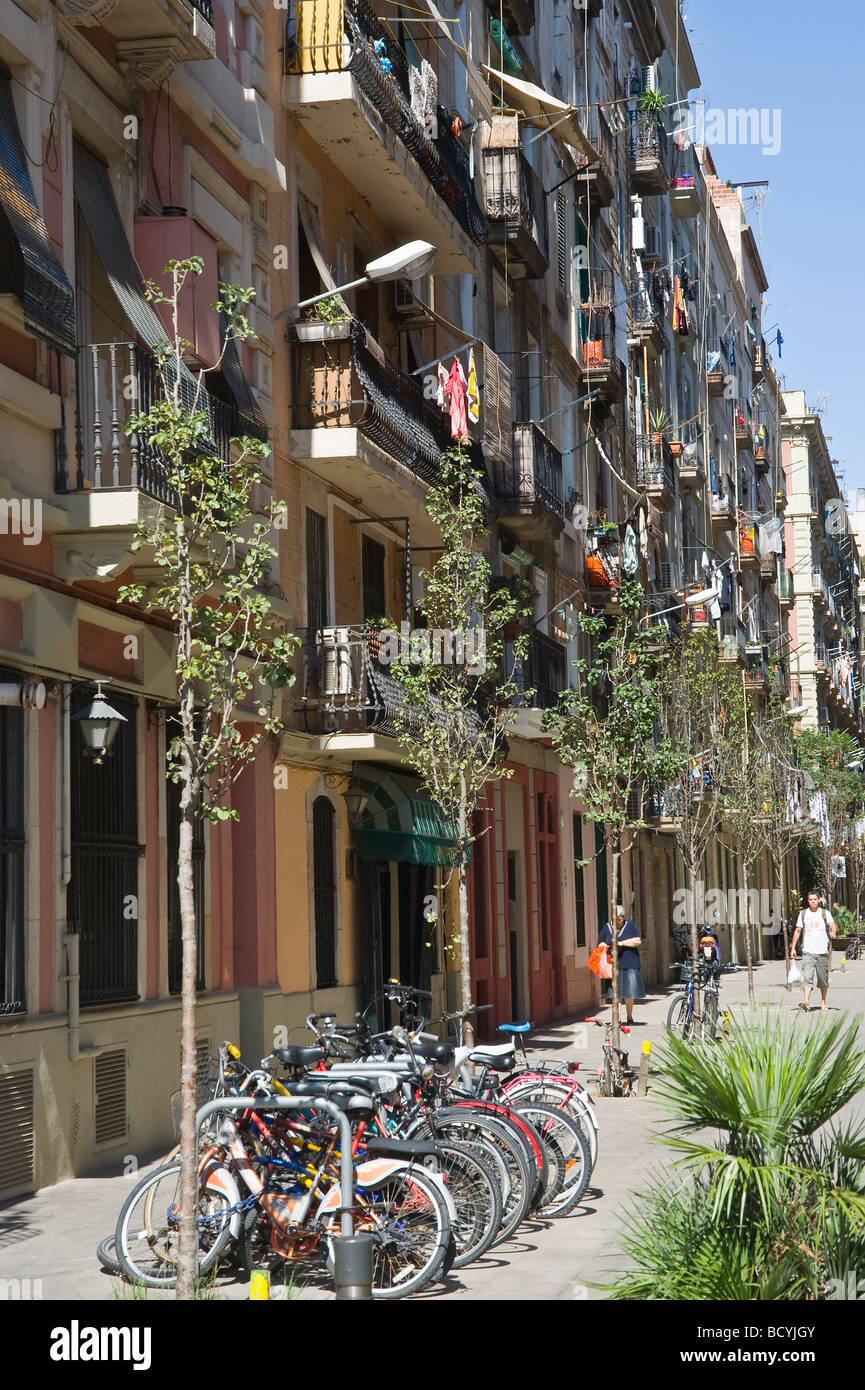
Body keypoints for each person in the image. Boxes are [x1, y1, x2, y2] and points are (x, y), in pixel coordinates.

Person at [790, 889, 837, 1013]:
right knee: (807, 977)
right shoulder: (803, 914)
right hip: (808, 952)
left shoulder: (824, 913)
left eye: (815, 899)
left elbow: (832, 924)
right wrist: (793, 947)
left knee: (823, 980)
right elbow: (798, 931)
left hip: (822, 952)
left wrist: (833, 931)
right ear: (808, 900)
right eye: (810, 900)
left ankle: (823, 1001)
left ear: (819, 900)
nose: (813, 902)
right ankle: (806, 1001)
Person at [598, 906, 644, 1024]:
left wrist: (622, 943)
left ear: (623, 918)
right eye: (615, 919)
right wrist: (605, 946)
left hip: (630, 962)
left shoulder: (630, 925)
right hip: (613, 965)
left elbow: (637, 941)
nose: (618, 922)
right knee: (616, 993)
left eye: (620, 919)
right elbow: (600, 943)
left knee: (629, 993)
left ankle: (629, 1016)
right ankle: (617, 1018)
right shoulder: (607, 927)